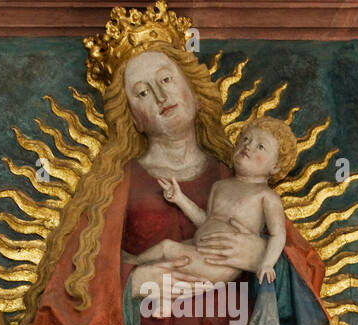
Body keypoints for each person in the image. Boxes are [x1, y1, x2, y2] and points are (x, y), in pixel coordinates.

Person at [14, 3, 329, 325]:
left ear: (193, 88)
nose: (159, 95)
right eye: (141, 92)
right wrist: (133, 283)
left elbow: (306, 275)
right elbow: (64, 294)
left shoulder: (240, 182)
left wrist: (261, 254)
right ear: (132, 116)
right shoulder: (116, 186)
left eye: (166, 79)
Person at [125, 116, 296, 286]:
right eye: (245, 139)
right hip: (198, 248)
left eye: (260, 146)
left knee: (167, 258)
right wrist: (180, 199)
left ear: (275, 167)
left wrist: (267, 263)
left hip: (219, 263)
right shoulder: (220, 186)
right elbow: (206, 221)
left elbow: (278, 235)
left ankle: (134, 266)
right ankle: (133, 267)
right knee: (166, 249)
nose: (248, 146)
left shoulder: (266, 196)